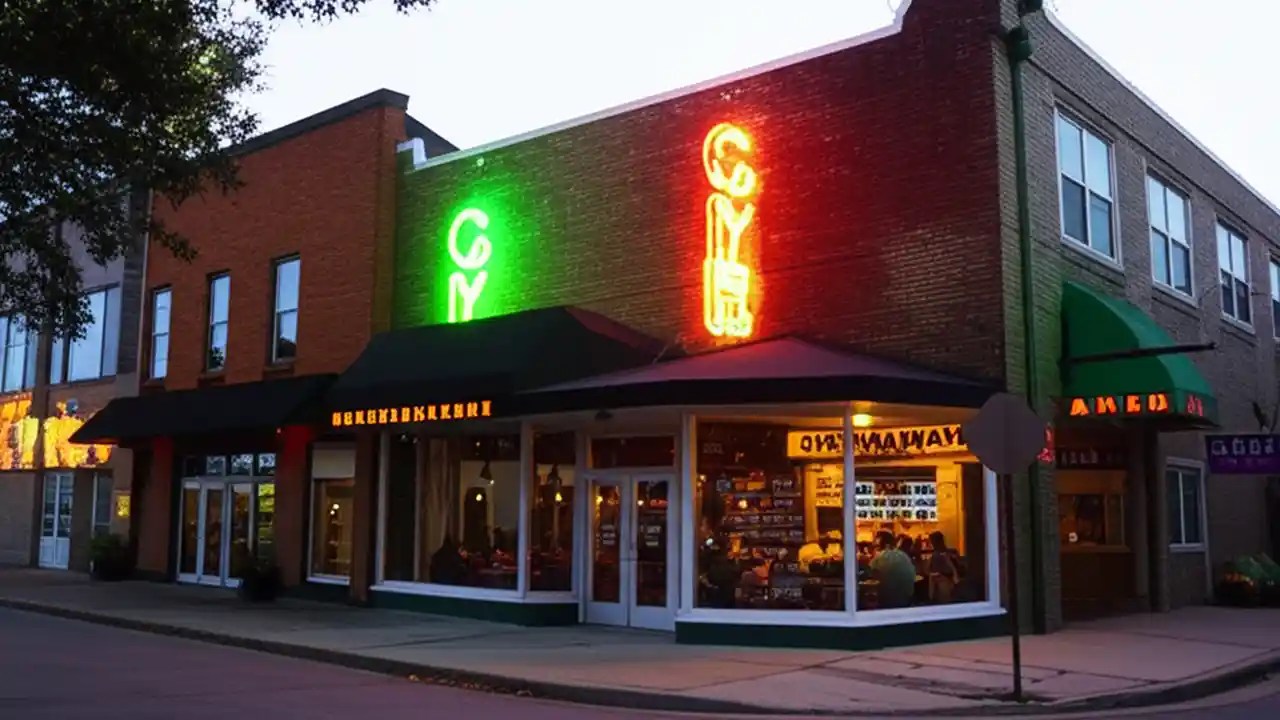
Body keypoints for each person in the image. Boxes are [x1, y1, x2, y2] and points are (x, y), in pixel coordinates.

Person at [870, 530, 915, 608]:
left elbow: (871, 573)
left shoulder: (881, 556)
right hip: (906, 601)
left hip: (888, 603)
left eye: (877, 547)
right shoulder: (904, 556)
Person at [928, 531, 961, 604]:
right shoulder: (952, 552)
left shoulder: (936, 556)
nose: (932, 544)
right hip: (954, 584)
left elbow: (932, 573)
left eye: (932, 542)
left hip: (944, 585)